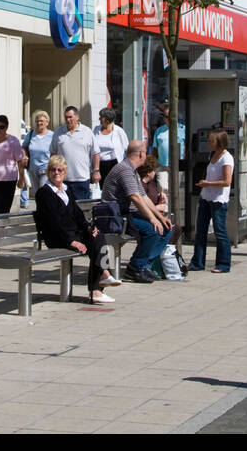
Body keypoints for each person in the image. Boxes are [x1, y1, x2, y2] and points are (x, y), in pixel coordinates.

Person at [34, 155, 117, 304]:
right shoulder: (44, 193)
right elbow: (54, 222)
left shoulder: (67, 190)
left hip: (73, 234)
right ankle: (100, 281)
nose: (56, 173)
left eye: (60, 170)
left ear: (65, 172)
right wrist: (71, 241)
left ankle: (98, 285)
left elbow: (77, 214)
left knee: (99, 237)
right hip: (57, 237)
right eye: (53, 170)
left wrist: (88, 227)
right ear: (48, 172)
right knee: (96, 245)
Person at [102, 141, 172, 283]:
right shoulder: (125, 170)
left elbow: (143, 197)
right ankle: (134, 269)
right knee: (152, 230)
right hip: (115, 216)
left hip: (126, 214)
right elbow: (135, 197)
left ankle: (144, 265)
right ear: (141, 154)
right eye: (145, 152)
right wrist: (152, 219)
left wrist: (159, 217)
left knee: (165, 229)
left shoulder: (132, 170)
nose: (146, 155)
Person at [190, 130, 234, 274]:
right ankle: (197, 262)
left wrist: (208, 183)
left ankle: (223, 263)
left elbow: (227, 182)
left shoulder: (226, 158)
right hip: (206, 197)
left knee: (220, 231)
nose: (208, 143)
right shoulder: (213, 155)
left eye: (211, 141)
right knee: (200, 230)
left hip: (218, 199)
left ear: (219, 141)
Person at [51, 106, 99, 201]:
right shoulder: (58, 132)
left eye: (70, 117)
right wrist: (52, 173)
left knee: (80, 209)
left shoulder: (87, 132)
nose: (68, 120)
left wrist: (96, 170)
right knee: (63, 208)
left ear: (77, 117)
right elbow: (53, 154)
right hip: (62, 179)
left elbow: (95, 153)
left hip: (82, 179)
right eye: (66, 117)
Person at [22, 111, 55, 195]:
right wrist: (25, 155)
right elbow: (24, 147)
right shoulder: (31, 134)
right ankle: (41, 208)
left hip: (46, 169)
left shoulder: (52, 135)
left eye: (41, 121)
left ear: (47, 122)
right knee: (37, 194)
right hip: (33, 169)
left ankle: (44, 208)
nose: (39, 123)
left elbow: (56, 151)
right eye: (37, 121)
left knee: (43, 192)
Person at [93, 108, 129, 177]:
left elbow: (126, 149)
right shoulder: (96, 130)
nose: (99, 119)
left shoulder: (119, 131)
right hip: (100, 165)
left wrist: (127, 167)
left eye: (101, 117)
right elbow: (92, 147)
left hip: (114, 164)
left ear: (107, 119)